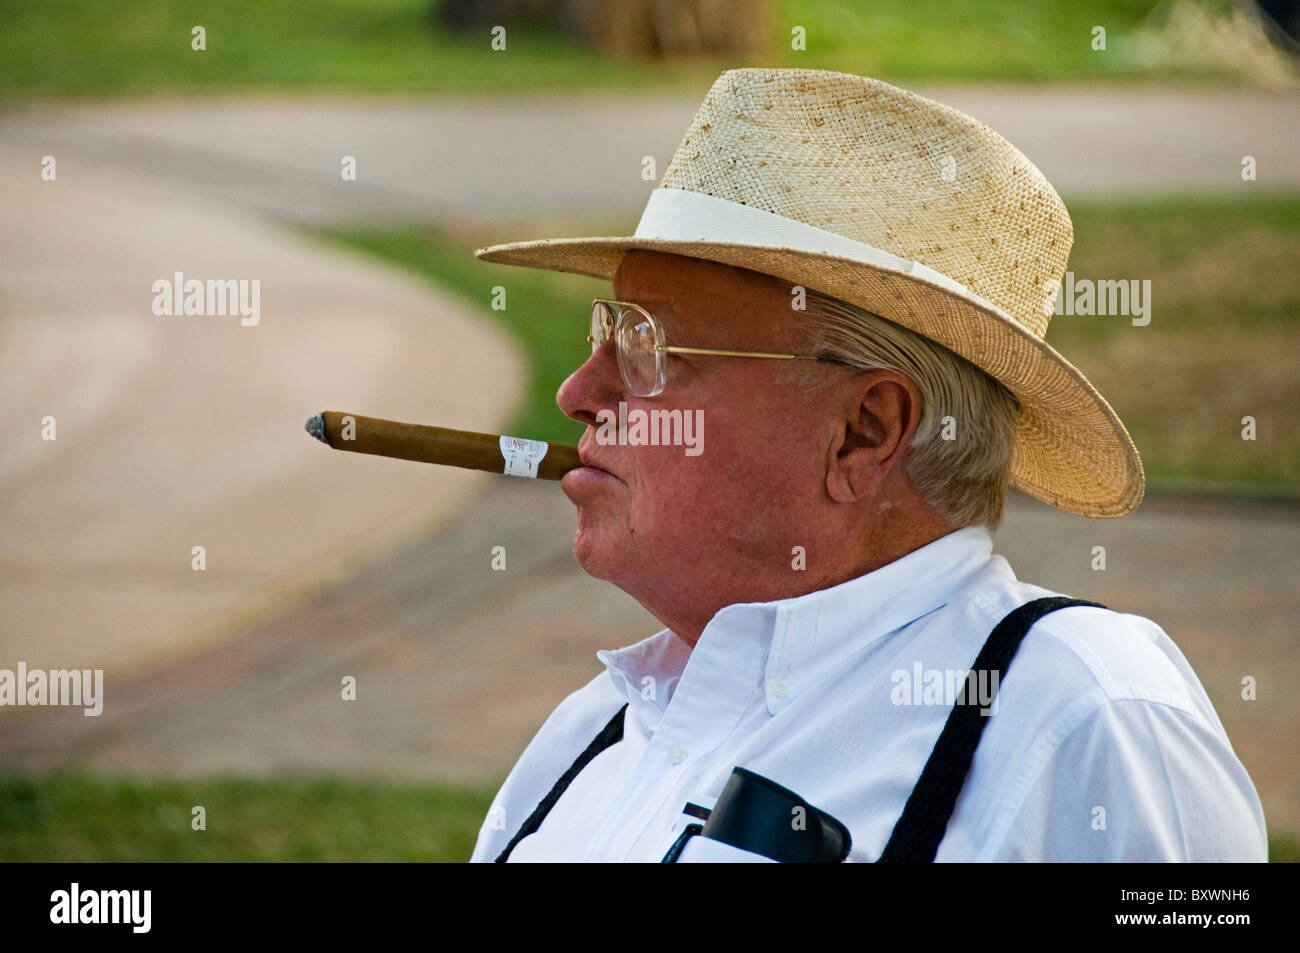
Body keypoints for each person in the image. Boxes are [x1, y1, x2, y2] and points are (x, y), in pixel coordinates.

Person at [466, 68, 1267, 862]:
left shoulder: (1089, 715)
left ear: (863, 433)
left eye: (646, 345)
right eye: (604, 333)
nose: (578, 392)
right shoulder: (592, 732)